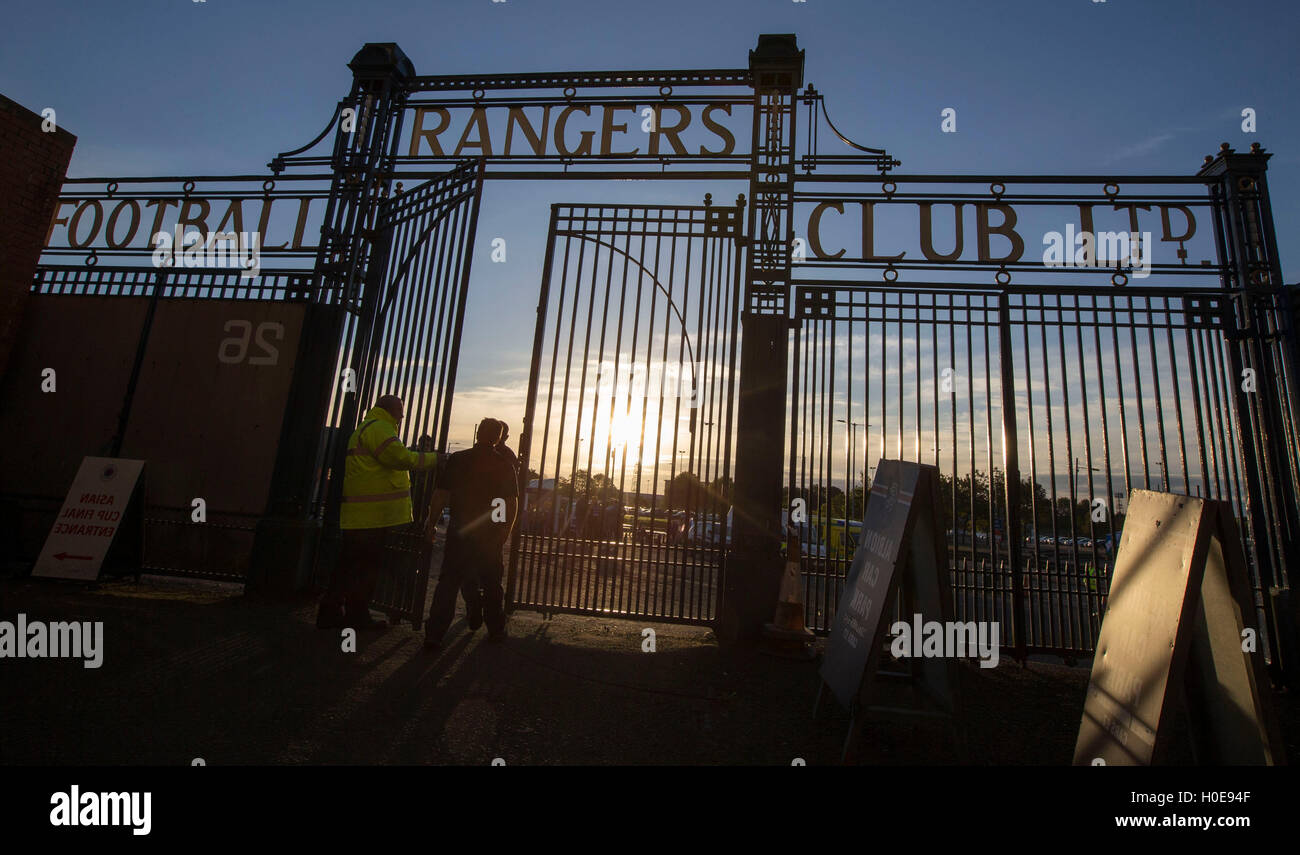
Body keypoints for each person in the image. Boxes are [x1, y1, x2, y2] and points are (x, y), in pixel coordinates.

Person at [317, 394, 438, 630]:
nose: (403, 416)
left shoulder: (366, 428)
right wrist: (436, 459)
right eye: (401, 411)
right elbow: (400, 458)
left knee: (348, 566)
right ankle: (356, 616)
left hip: (360, 514)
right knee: (365, 569)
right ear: (392, 410)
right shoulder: (380, 428)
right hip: (372, 517)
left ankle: (331, 611)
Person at [425, 418, 519, 650]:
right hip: (489, 532)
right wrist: (504, 529)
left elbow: (440, 494)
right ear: (498, 437)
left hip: (460, 529)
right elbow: (509, 502)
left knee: (448, 582)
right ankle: (496, 630)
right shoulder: (503, 464)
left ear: (478, 434)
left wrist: (431, 524)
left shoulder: (458, 459)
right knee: (491, 583)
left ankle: (434, 635)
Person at [459, 420, 520, 621]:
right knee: (492, 574)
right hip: (495, 516)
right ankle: (494, 621)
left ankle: (475, 603)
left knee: (469, 568)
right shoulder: (507, 458)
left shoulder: (468, 456)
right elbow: (512, 496)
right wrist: (506, 527)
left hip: (472, 516)